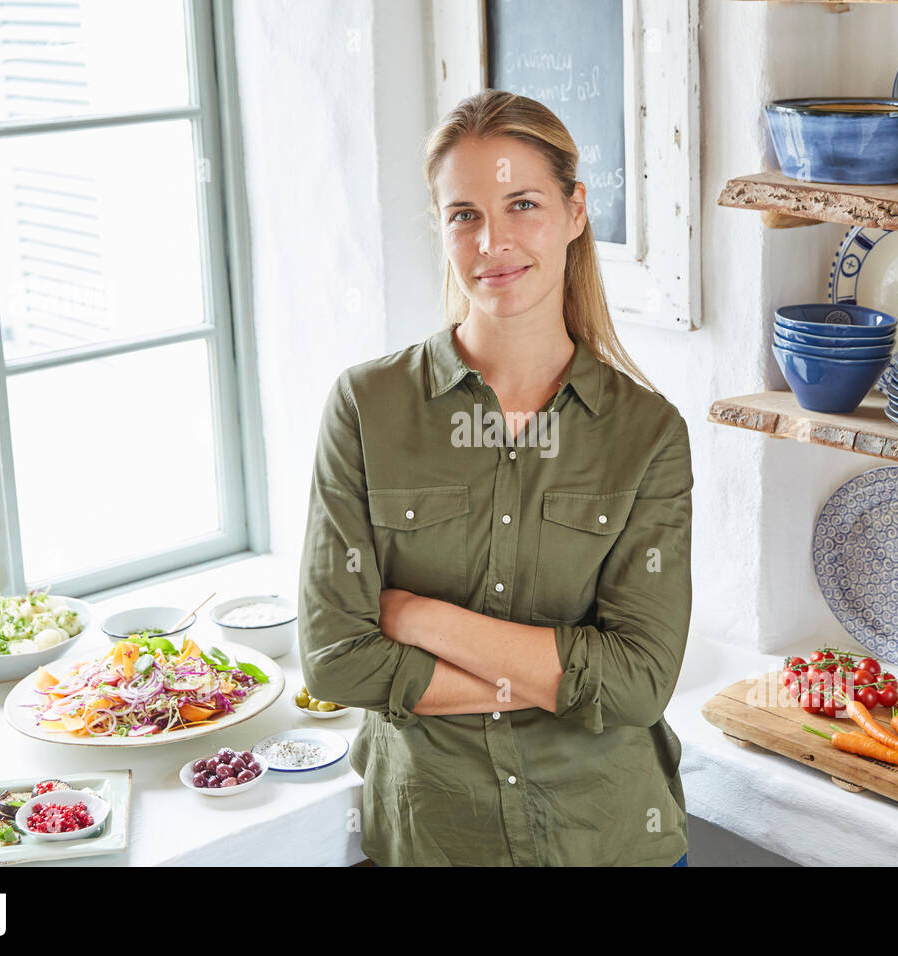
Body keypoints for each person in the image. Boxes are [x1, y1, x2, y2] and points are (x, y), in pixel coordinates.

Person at [297, 89, 693, 866]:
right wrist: (559, 680)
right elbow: (337, 658)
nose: (493, 242)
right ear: (442, 227)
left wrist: (414, 617)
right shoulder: (365, 407)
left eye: (522, 205)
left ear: (576, 212)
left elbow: (641, 683)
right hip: (434, 839)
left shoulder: (647, 434)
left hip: (609, 841)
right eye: (465, 214)